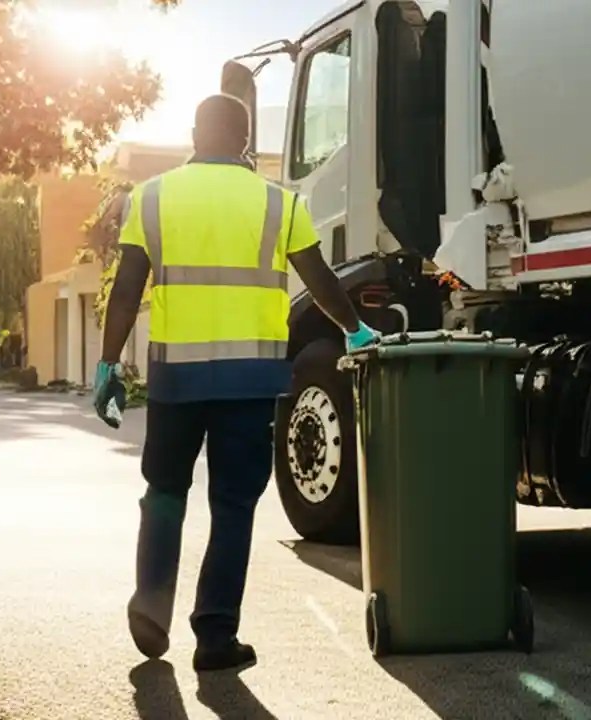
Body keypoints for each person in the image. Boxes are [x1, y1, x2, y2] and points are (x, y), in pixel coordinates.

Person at [94, 93, 378, 673]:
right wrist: (354, 328)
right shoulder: (279, 202)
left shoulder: (151, 198)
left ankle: (152, 599)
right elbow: (318, 279)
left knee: (166, 490)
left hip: (177, 378)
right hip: (251, 380)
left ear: (195, 132)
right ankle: (215, 635)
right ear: (246, 141)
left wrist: (107, 365)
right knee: (233, 505)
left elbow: (125, 291)